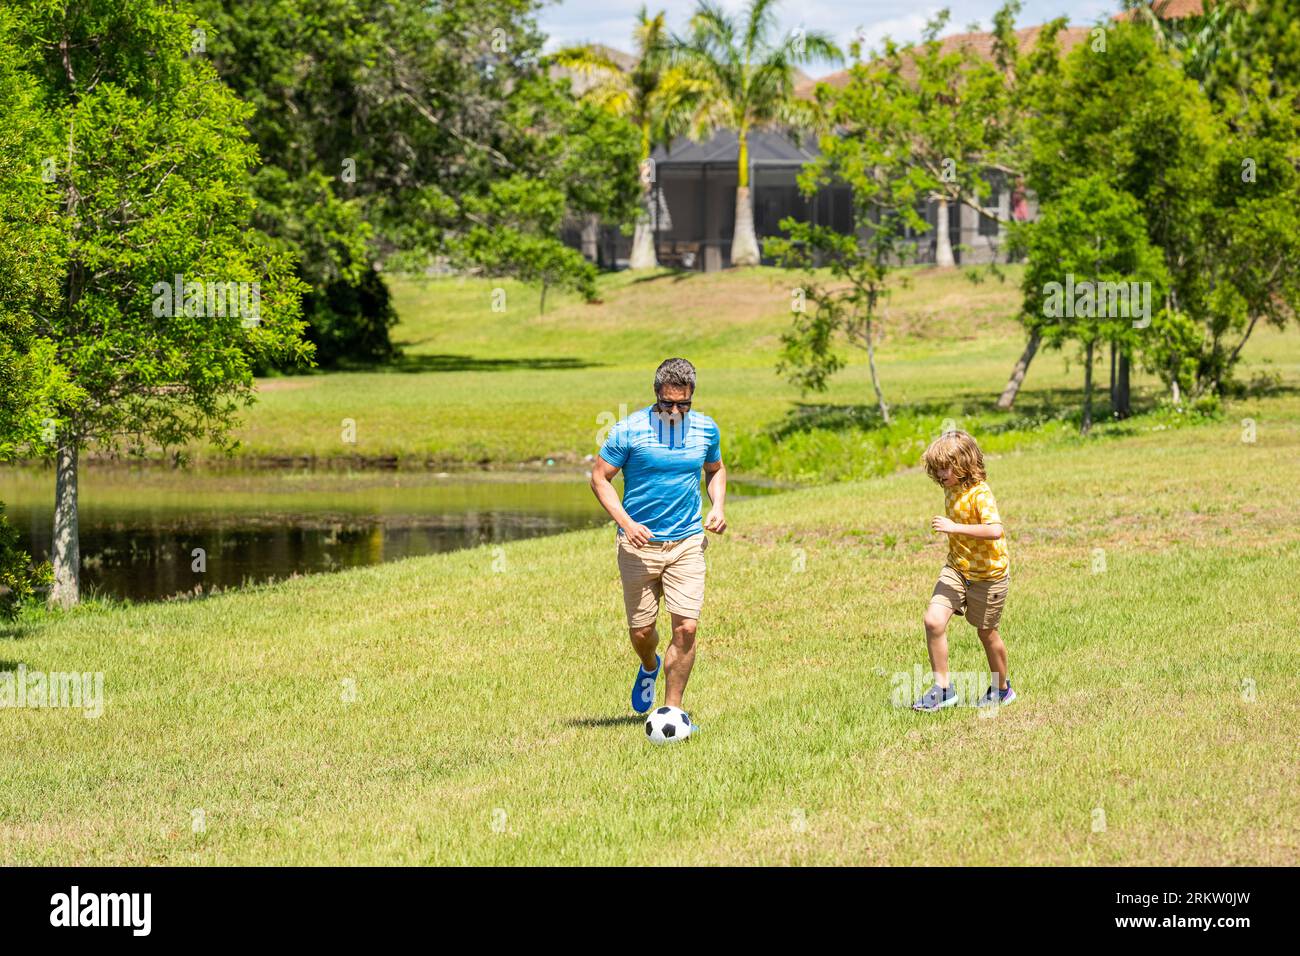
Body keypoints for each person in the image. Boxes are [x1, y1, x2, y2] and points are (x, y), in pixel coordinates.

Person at [589, 358, 727, 721]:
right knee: (642, 632)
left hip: (687, 543)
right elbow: (600, 478)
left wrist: (719, 506)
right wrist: (626, 523)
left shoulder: (705, 429)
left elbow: (715, 470)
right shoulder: (629, 430)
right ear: (656, 395)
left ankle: (671, 711)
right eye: (669, 403)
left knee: (687, 627)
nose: (676, 411)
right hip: (638, 547)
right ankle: (649, 665)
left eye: (684, 404)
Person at [914, 430, 1015, 712]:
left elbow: (995, 530)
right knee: (933, 621)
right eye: (936, 469)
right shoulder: (950, 486)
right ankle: (943, 690)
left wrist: (954, 527)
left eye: (945, 468)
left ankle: (1001, 689)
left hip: (988, 576)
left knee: (986, 633)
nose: (941, 475)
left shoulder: (980, 493)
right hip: (957, 569)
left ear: (964, 465)